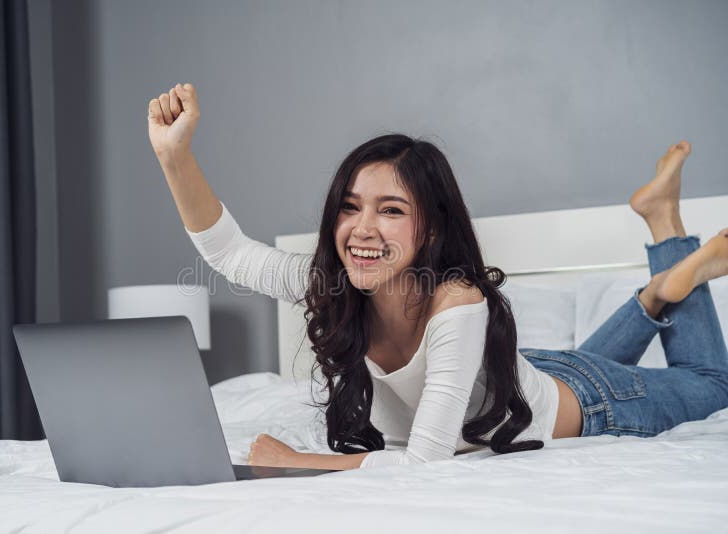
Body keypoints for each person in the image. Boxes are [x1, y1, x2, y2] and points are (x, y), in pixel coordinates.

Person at [147, 83, 728, 470]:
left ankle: (665, 235)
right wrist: (175, 156)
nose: (362, 229)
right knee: (565, 367)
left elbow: (425, 463)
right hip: (522, 373)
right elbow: (229, 253)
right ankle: (655, 295)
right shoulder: (333, 283)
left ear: (429, 229)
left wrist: (296, 462)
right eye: (350, 207)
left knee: (714, 383)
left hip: (590, 401)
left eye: (391, 210)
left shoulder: (458, 301)